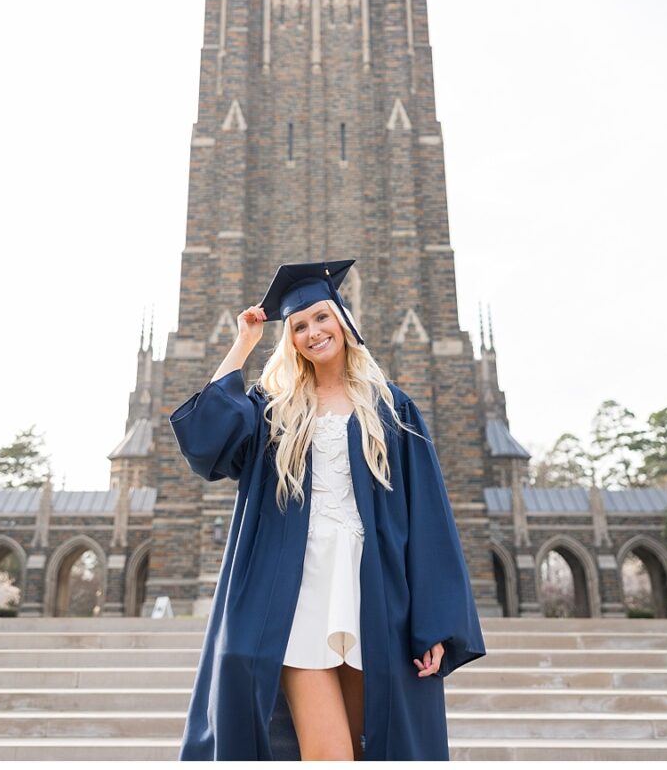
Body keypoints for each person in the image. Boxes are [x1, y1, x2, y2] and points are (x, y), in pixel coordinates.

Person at [171, 259, 485, 759]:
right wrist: (244, 342)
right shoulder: (272, 408)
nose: (313, 332)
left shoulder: (393, 409)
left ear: (343, 318)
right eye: (299, 326)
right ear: (290, 339)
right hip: (295, 593)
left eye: (321, 318)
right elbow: (206, 442)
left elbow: (429, 521)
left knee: (374, 750)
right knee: (332, 757)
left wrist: (436, 625)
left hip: (375, 593)